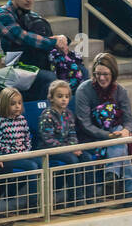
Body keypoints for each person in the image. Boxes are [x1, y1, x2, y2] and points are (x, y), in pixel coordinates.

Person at [0, 0, 76, 102]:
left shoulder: (32, 15)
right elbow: (23, 37)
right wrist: (55, 42)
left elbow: (43, 38)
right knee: (50, 78)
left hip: (32, 63)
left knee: (78, 71)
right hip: (11, 67)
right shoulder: (2, 15)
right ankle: (46, 115)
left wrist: (62, 40)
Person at [74, 52, 132, 196]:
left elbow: (129, 120)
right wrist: (109, 135)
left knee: (119, 135)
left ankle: (112, 174)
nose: (102, 78)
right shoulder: (83, 90)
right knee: (120, 145)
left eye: (105, 74)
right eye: (98, 73)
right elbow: (85, 124)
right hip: (91, 136)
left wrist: (125, 131)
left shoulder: (120, 91)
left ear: (113, 73)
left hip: (114, 134)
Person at [37, 78, 100, 206]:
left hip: (67, 149)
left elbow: (72, 134)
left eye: (66, 96)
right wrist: (69, 149)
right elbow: (49, 140)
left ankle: (90, 197)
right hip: (50, 150)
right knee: (73, 160)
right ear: (51, 98)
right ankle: (76, 200)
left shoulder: (69, 114)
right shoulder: (47, 115)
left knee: (86, 157)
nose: (64, 99)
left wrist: (74, 147)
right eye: (60, 96)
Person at [0, 85, 40, 214]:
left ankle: (42, 201)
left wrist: (25, 150)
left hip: (22, 154)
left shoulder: (22, 120)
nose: (17, 106)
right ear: (4, 104)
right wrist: (14, 152)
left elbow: (27, 138)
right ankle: (33, 206)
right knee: (32, 166)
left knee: (40, 162)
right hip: (7, 157)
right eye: (13, 104)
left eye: (19, 103)